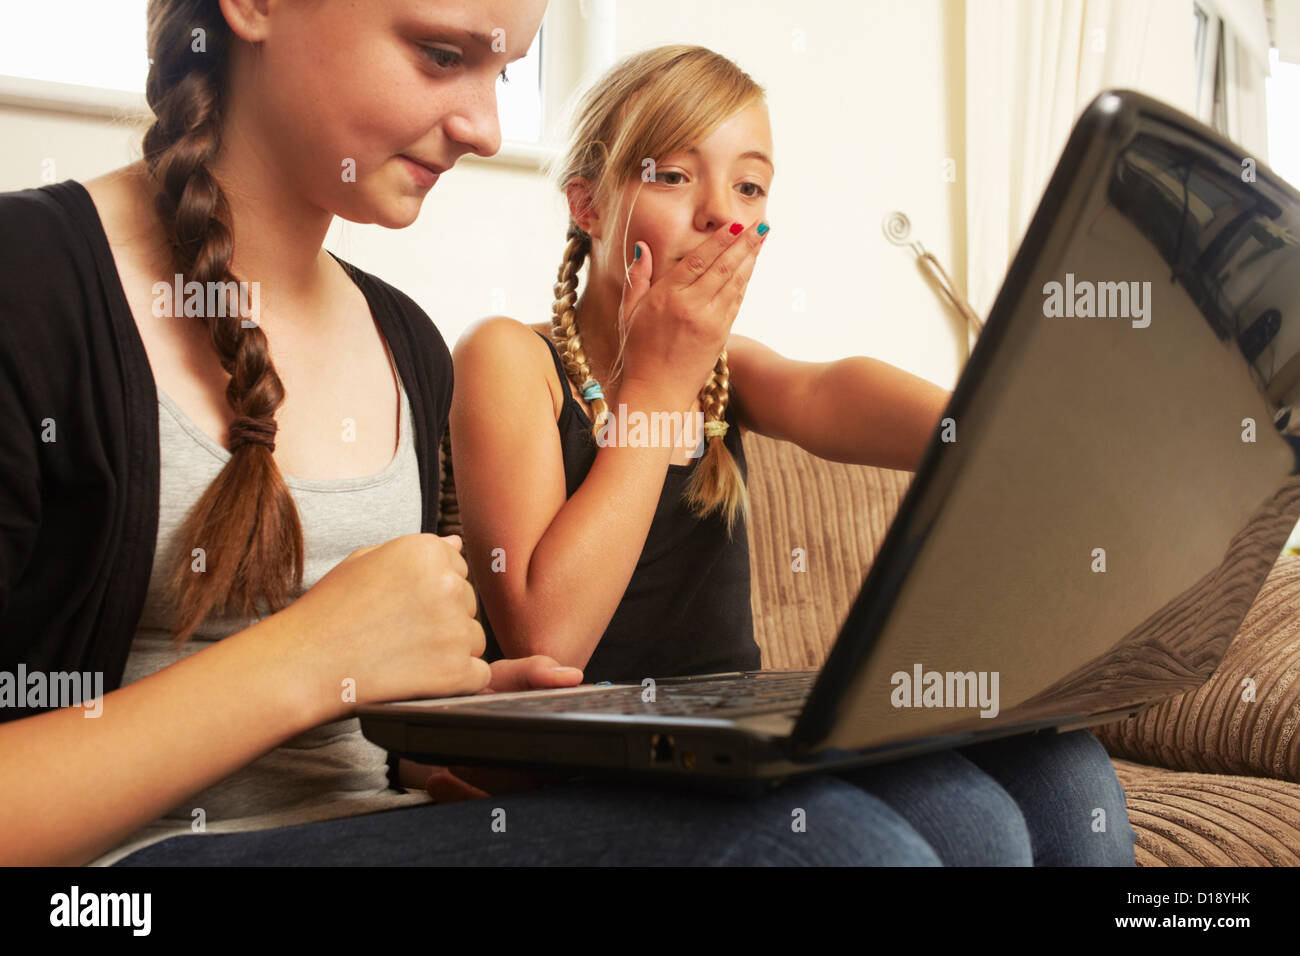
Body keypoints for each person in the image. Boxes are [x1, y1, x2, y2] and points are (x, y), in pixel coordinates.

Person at [0, 0, 1004, 867]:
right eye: (442, 54)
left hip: (368, 824)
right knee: (831, 850)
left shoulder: (399, 339)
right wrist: (312, 658)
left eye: (506, 73)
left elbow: (384, 748)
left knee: (1010, 801)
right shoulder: (30, 283)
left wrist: (473, 727)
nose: (484, 129)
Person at [449, 43, 1137, 865]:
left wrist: (994, 434)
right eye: (672, 175)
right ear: (588, 205)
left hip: (734, 733)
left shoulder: (721, 373)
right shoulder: (508, 360)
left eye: (748, 185)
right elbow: (547, 639)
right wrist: (660, 386)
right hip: (596, 756)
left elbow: (822, 392)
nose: (720, 213)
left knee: (1063, 769)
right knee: (975, 827)